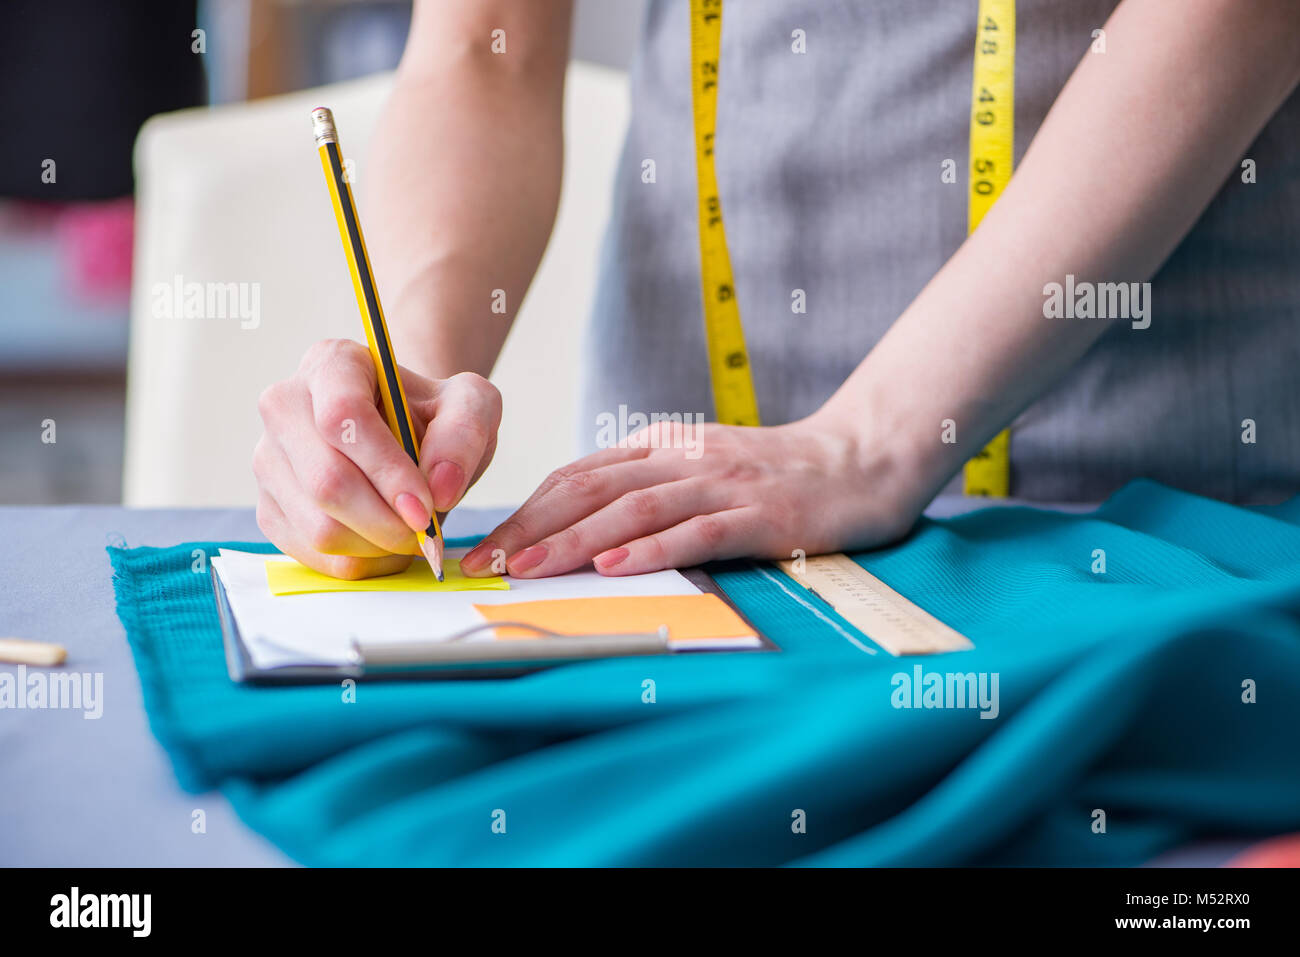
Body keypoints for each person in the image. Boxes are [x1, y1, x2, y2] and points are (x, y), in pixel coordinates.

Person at [253, 0, 1300, 581]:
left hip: (1135, 491)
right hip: (680, 509)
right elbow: (486, 50)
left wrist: (871, 439)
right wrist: (412, 391)